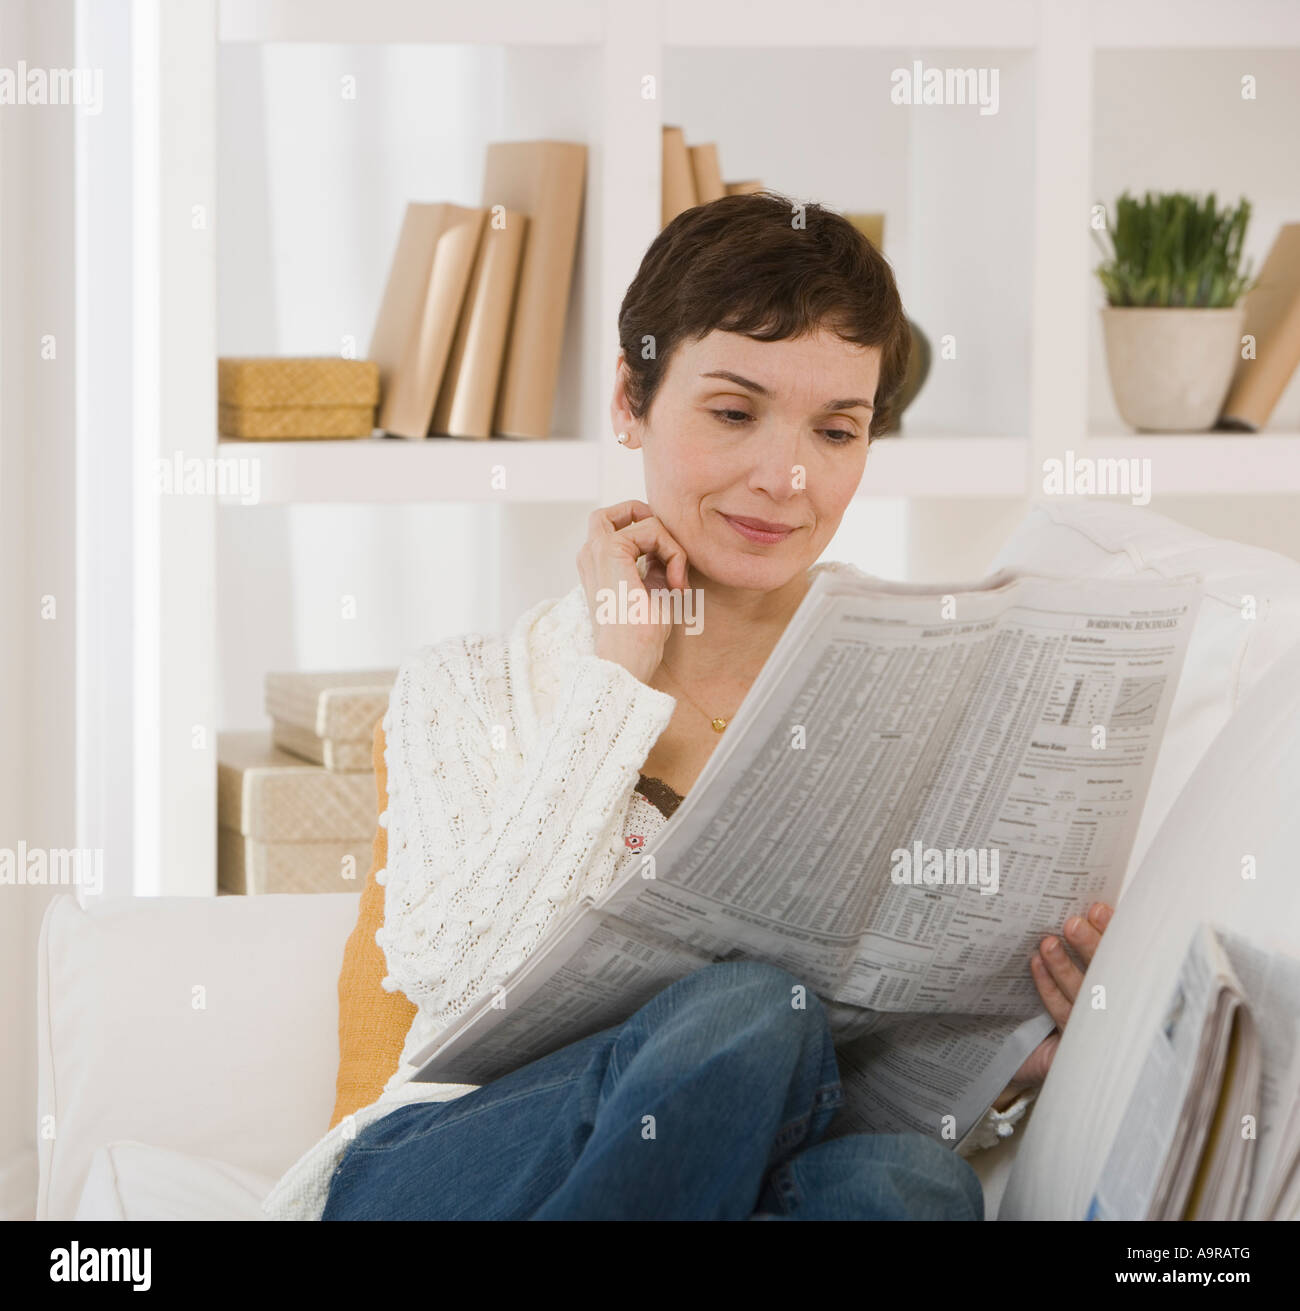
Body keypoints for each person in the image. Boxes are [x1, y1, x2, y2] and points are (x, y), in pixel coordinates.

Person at [272, 191, 1112, 1222]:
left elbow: (868, 1075)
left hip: (735, 1177)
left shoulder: (913, 694)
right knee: (750, 1014)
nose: (784, 477)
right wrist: (615, 680)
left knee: (910, 1183)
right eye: (733, 412)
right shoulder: (466, 686)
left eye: (836, 431)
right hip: (447, 1171)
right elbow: (456, 987)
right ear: (630, 397)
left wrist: (1008, 1064)